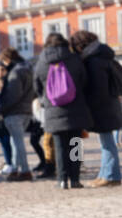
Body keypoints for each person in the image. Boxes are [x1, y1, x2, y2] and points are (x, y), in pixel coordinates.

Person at [33, 31, 91, 189]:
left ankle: (62, 180)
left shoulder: (42, 61)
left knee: (59, 147)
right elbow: (84, 80)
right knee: (75, 144)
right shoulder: (74, 59)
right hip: (76, 107)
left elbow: (36, 86)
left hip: (54, 110)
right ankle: (75, 179)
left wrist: (46, 100)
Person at [70, 28, 122, 188]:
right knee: (105, 142)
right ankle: (104, 174)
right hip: (109, 105)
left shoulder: (94, 61)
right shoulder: (102, 56)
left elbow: (98, 88)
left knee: (107, 142)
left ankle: (111, 176)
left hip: (103, 107)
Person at [0, 47, 36, 181]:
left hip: (14, 111)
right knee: (15, 141)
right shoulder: (29, 69)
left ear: (7, 59)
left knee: (18, 142)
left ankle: (24, 170)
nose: (3, 66)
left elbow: (13, 95)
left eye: (4, 62)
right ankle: (14, 168)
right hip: (26, 110)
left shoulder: (15, 72)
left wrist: (2, 108)